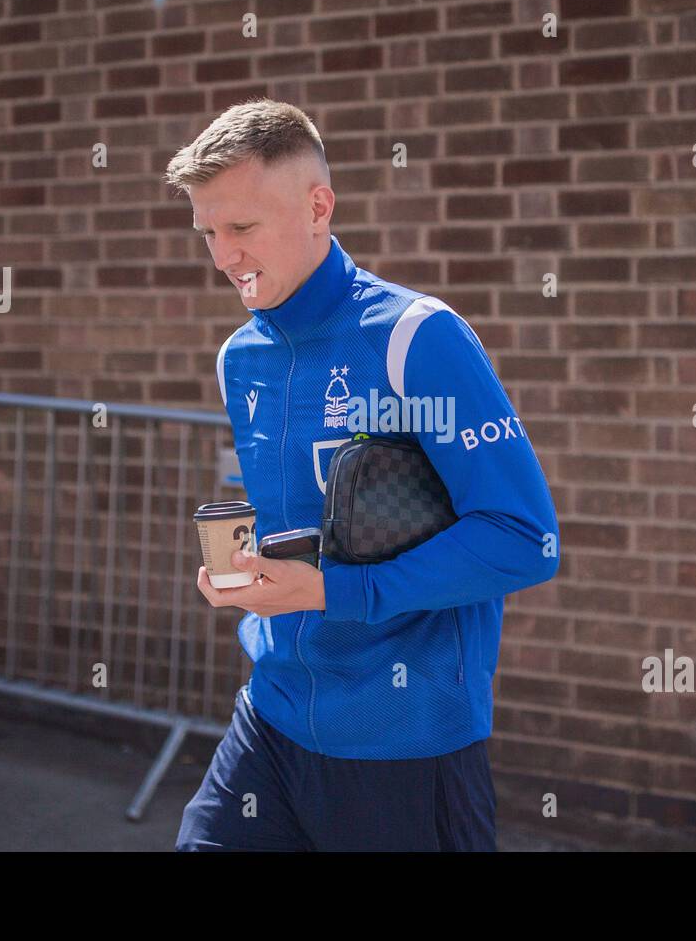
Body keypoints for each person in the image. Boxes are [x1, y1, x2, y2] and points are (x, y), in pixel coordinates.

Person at [166, 98, 559, 851]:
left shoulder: (418, 337)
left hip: (406, 748)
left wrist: (336, 590)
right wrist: (252, 573)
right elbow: (319, 529)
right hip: (274, 717)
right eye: (208, 233)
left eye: (242, 228)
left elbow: (524, 539)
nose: (223, 256)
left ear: (320, 207)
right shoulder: (238, 358)